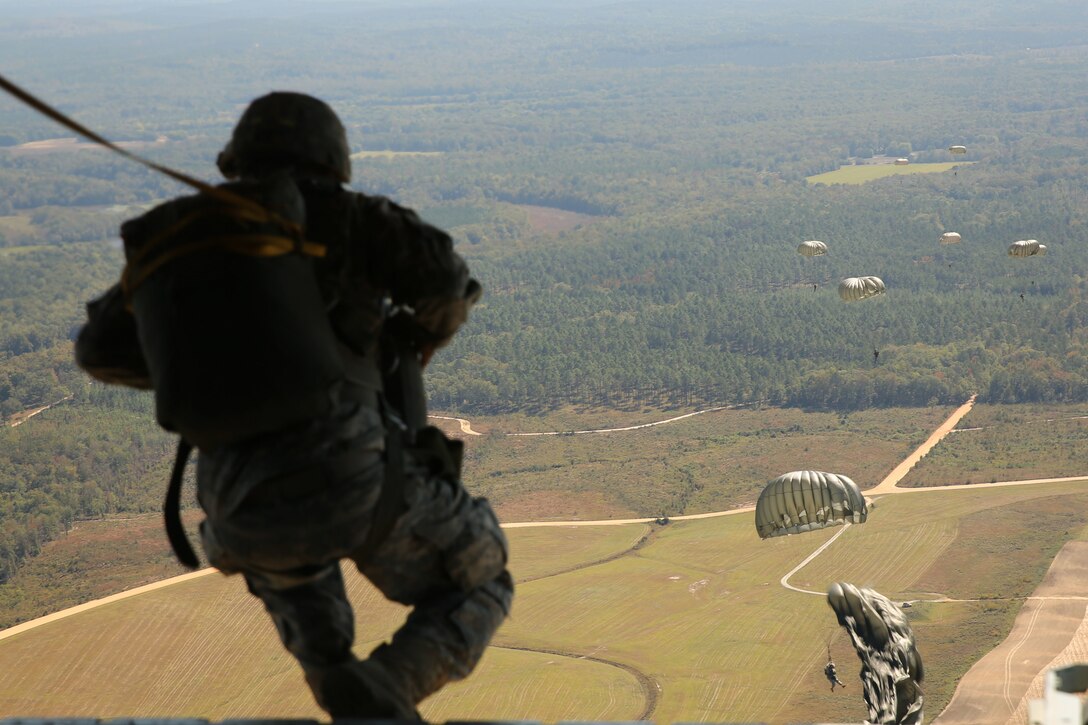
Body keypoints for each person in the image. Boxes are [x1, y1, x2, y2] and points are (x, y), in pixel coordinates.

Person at [75, 92, 512, 720]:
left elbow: (99, 350)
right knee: (482, 578)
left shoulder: (189, 243)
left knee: (309, 610)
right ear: (334, 159)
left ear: (239, 160)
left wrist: (212, 364)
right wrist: (419, 342)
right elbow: (446, 285)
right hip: (356, 483)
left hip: (239, 509)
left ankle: (343, 680)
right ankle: (390, 685)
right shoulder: (355, 218)